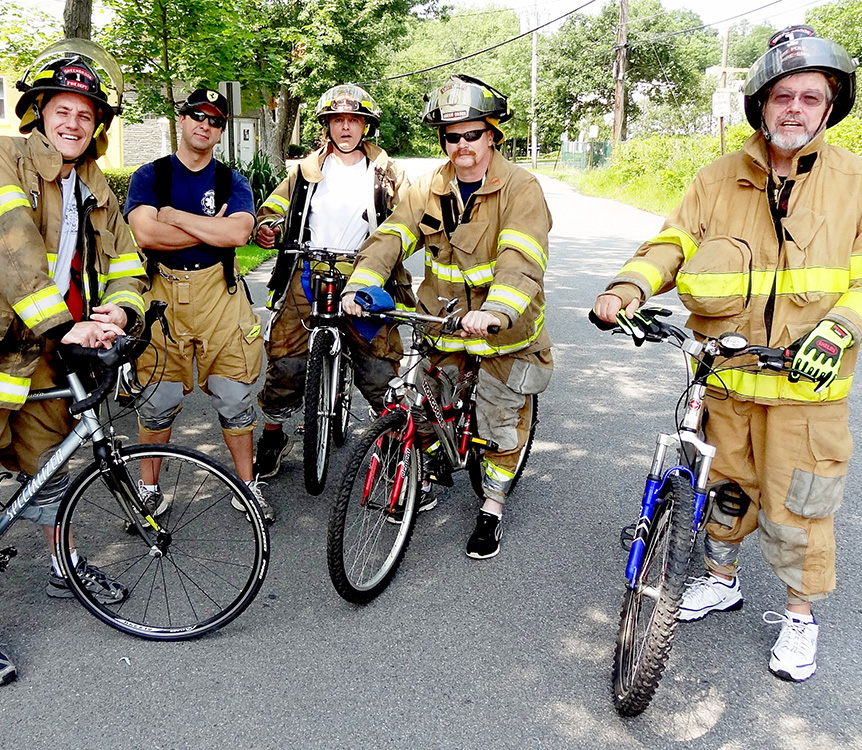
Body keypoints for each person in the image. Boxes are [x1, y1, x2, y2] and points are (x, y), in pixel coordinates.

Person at [593, 26, 861, 682]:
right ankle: (720, 577)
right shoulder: (717, 178)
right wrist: (628, 284)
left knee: (800, 507)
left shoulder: (854, 179)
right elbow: (674, 242)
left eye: (810, 96)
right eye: (781, 96)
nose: (794, 108)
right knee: (728, 492)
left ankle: (800, 617)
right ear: (760, 105)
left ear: (830, 107)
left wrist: (843, 326)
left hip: (807, 387)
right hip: (728, 375)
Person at [343, 74, 554, 559]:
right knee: (424, 402)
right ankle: (429, 470)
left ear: (492, 133)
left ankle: (493, 507)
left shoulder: (521, 189)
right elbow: (392, 236)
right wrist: (364, 282)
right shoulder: (428, 187)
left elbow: (520, 260)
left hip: (505, 331)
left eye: (473, 134)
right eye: (452, 136)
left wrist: (497, 310)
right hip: (443, 323)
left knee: (499, 425)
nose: (462, 145)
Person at [0, 40, 148, 683]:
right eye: (62, 110)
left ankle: (65, 567)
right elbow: (16, 253)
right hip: (17, 340)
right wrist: (65, 325)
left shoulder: (93, 186)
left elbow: (125, 261)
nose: (73, 123)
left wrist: (120, 311)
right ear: (37, 112)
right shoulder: (5, 158)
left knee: (49, 472)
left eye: (85, 115)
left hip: (45, 353)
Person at [125, 88, 275, 523]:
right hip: (162, 296)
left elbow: (237, 236)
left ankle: (247, 489)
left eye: (213, 120)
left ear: (220, 130)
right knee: (157, 400)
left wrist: (174, 217)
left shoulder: (234, 181)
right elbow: (147, 236)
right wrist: (213, 228)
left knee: (235, 398)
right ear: (182, 119)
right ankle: (149, 491)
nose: (203, 125)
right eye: (196, 115)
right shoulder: (150, 176)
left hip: (220, 295)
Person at [253, 84, 412, 480]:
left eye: (353, 120)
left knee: (379, 369)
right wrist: (267, 226)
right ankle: (273, 437)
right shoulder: (305, 171)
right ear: (327, 125)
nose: (345, 127)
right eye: (337, 120)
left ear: (365, 126)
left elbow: (411, 218)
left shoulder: (387, 172)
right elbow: (272, 207)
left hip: (365, 276)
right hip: (306, 273)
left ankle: (395, 450)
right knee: (286, 362)